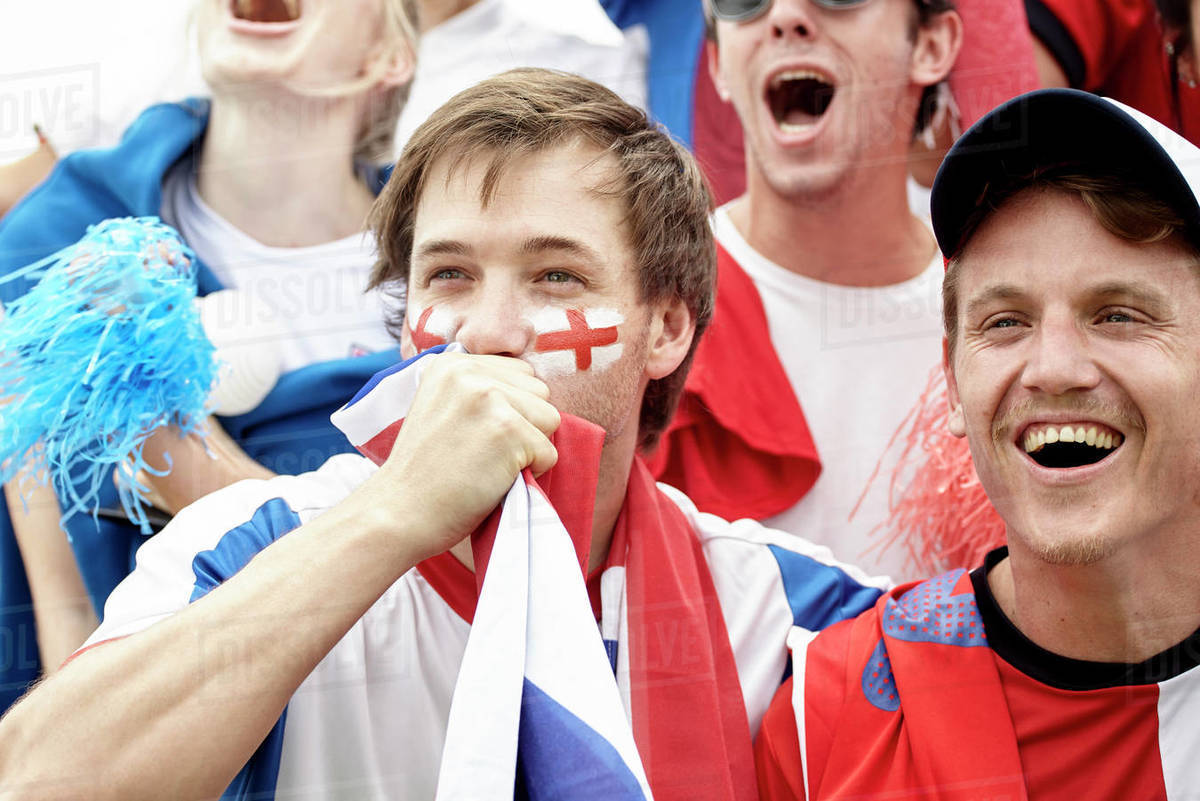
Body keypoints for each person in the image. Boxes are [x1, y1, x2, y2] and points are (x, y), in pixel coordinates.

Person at [0, 69, 888, 800]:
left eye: (555, 275)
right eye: (451, 274)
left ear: (667, 328)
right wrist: (394, 514)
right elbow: (37, 781)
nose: (488, 330)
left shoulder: (780, 606)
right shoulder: (256, 541)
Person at [754, 87, 1200, 799]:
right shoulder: (832, 714)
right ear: (953, 382)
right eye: (1005, 322)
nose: (1053, 368)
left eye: (1117, 314)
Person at [0, 0, 417, 709]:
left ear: (388, 55)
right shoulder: (62, 246)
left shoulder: (447, 275)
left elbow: (426, 586)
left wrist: (176, 452)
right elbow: (65, 613)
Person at [647, 0, 963, 580]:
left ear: (931, 45)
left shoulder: (1014, 311)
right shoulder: (641, 317)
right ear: (717, 62)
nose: (786, 16)